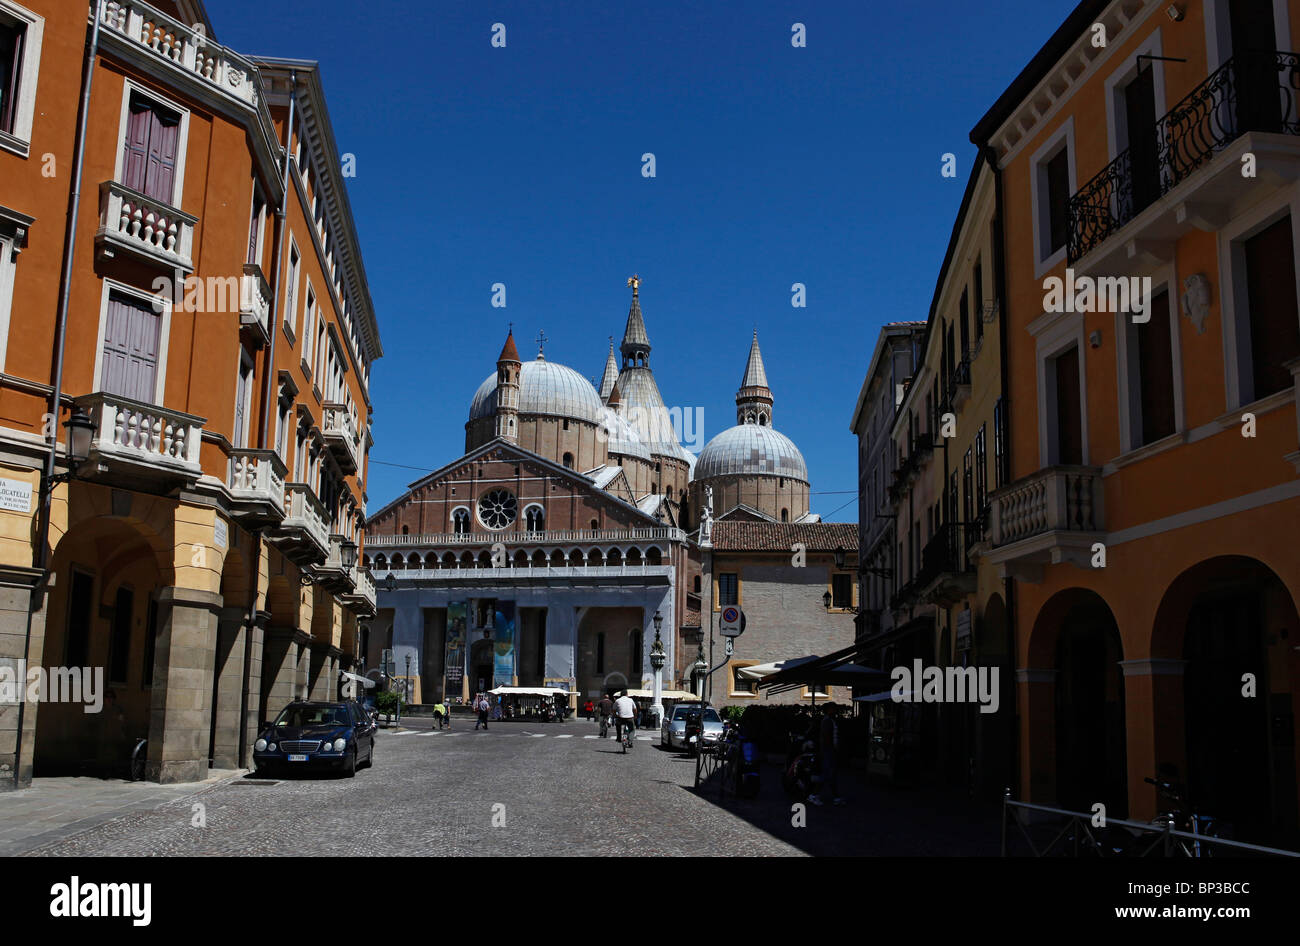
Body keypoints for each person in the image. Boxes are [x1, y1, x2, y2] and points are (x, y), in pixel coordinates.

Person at [809, 704, 846, 807]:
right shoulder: (827, 721)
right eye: (833, 708)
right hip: (828, 752)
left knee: (830, 775)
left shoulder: (828, 720)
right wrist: (831, 750)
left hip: (829, 751)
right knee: (827, 775)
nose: (835, 710)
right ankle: (814, 795)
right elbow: (826, 738)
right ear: (829, 710)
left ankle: (836, 797)